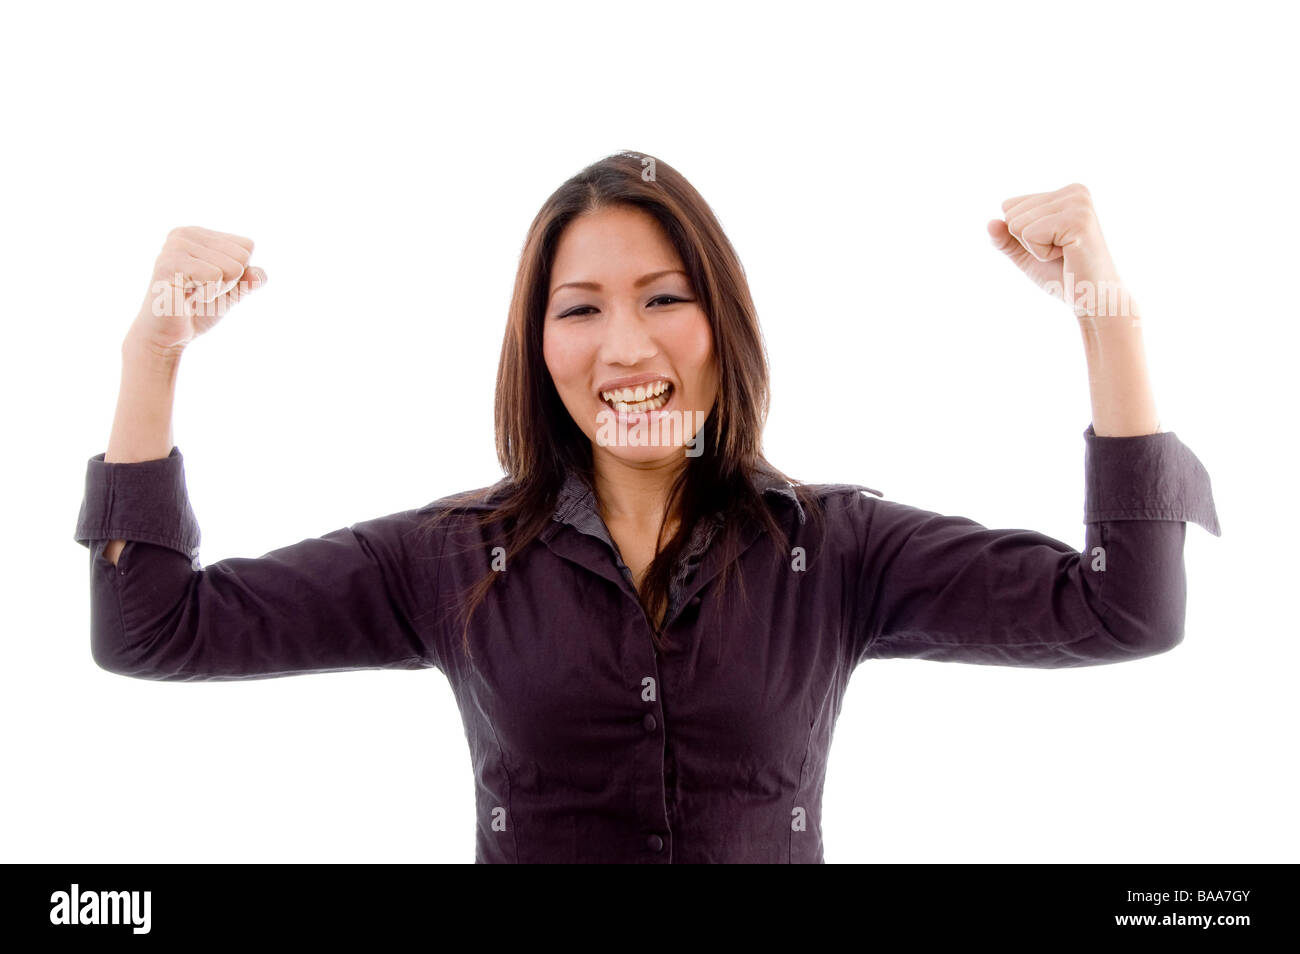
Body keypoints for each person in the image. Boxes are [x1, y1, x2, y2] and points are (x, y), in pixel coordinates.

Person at [74, 151, 1221, 863]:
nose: (624, 347)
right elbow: (151, 630)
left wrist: (1104, 314)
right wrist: (152, 354)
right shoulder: (449, 558)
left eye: (664, 298)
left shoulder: (835, 550)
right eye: (579, 310)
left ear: (723, 325)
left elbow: (1125, 609)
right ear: (538, 350)